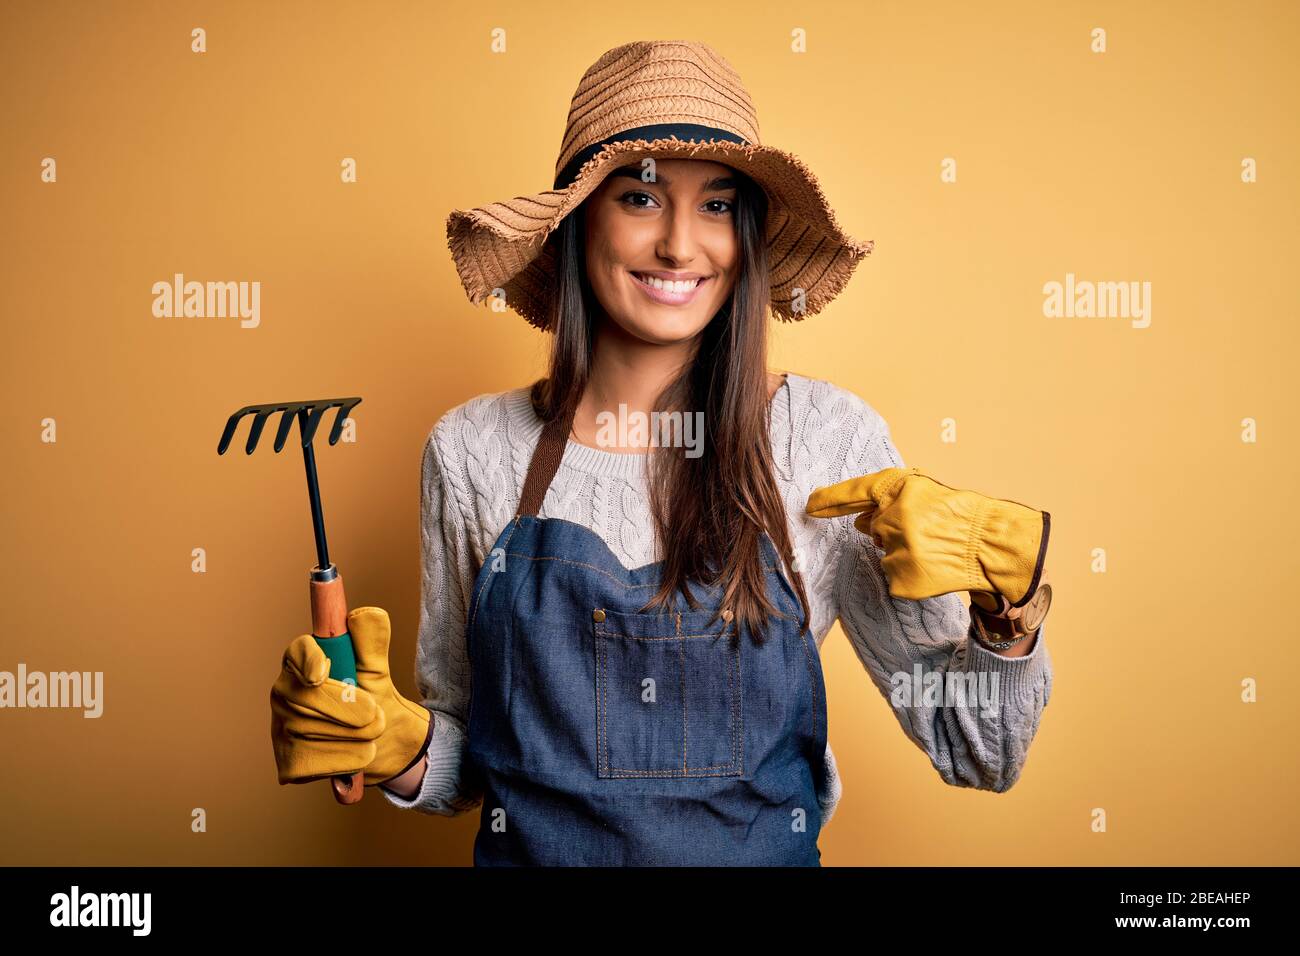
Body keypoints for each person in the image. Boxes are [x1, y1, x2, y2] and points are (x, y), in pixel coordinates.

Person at [270, 40, 1054, 866]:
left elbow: (979, 750)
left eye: (717, 206)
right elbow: (474, 765)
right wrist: (393, 746)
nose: (682, 246)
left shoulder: (825, 442)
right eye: (641, 197)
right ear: (581, 221)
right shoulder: (473, 451)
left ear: (746, 237)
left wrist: (1011, 606)